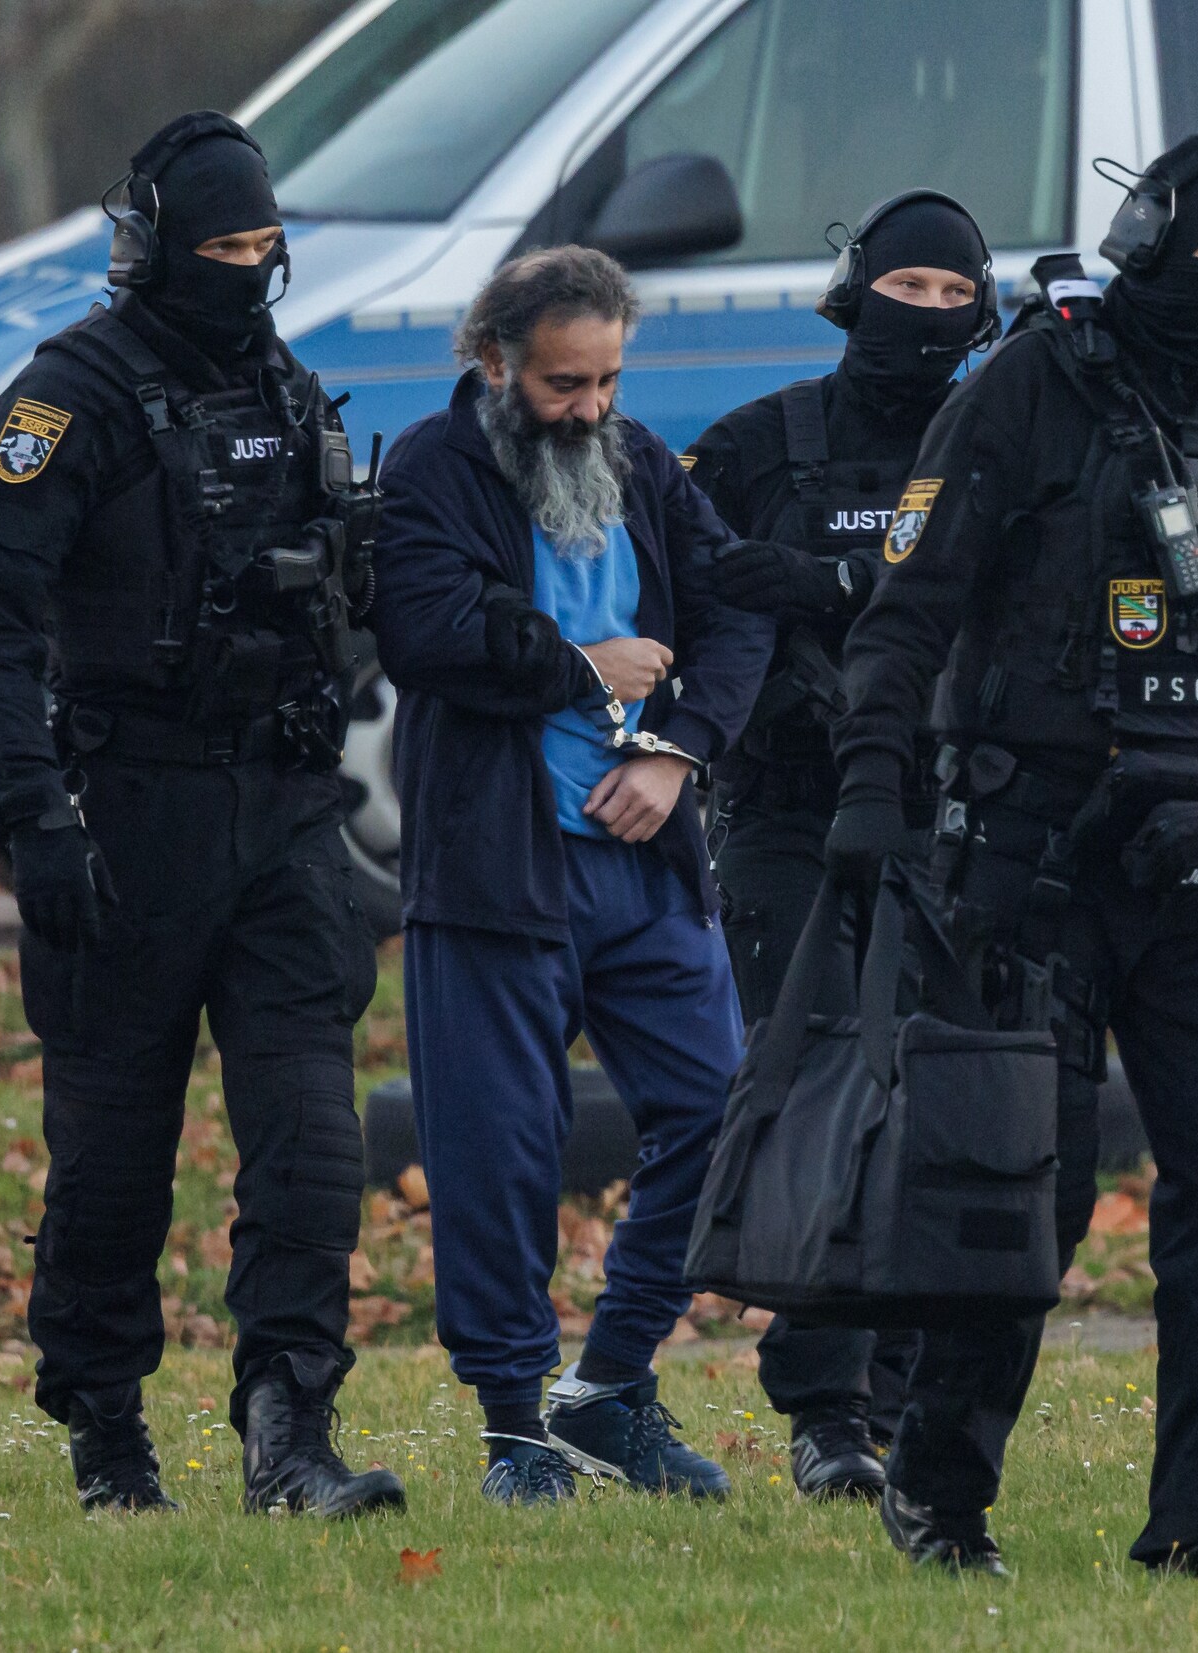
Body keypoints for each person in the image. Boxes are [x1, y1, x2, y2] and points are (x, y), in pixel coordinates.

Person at [826, 132, 1198, 1579]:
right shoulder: (1027, 390)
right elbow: (906, 610)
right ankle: (937, 1493)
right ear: (1149, 246)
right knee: (1024, 1195)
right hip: (1031, 860)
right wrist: (872, 788)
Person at [0, 112, 401, 1518]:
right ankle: (107, 1438)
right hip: (124, 826)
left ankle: (289, 1429)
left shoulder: (289, 389)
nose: (247, 271)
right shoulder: (63, 401)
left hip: (283, 811)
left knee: (316, 1141)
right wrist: (38, 821)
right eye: (221, 248)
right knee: (113, 1162)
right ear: (151, 249)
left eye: (266, 247)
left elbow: (357, 600)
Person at [370, 246, 771, 1508]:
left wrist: (677, 748)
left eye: (603, 379)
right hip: (493, 868)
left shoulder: (644, 462)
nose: (588, 407)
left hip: (643, 862)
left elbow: (733, 610)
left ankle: (608, 1386)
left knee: (721, 1115)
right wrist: (583, 667)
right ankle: (512, 1431)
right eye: (560, 383)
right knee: (497, 1152)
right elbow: (426, 629)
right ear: (492, 362)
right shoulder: (429, 470)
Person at [680, 191, 999, 1500]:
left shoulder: (998, 437)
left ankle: (913, 1388)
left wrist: (852, 594)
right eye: (906, 288)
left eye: (952, 296)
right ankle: (823, 1411)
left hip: (950, 812)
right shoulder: (761, 445)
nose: (927, 316)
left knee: (940, 1099)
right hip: (789, 814)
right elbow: (672, 574)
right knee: (812, 1096)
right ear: (857, 290)